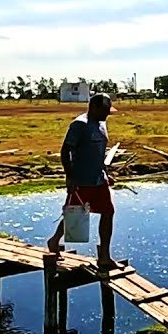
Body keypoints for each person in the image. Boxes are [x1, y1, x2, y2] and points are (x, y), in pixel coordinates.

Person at [47, 92, 119, 269]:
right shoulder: (79, 125)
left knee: (108, 212)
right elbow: (66, 151)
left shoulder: (101, 124)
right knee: (75, 214)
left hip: (99, 179)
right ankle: (54, 241)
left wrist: (106, 172)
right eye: (104, 111)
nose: (106, 115)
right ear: (93, 107)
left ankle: (104, 256)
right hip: (82, 180)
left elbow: (99, 154)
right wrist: (69, 176)